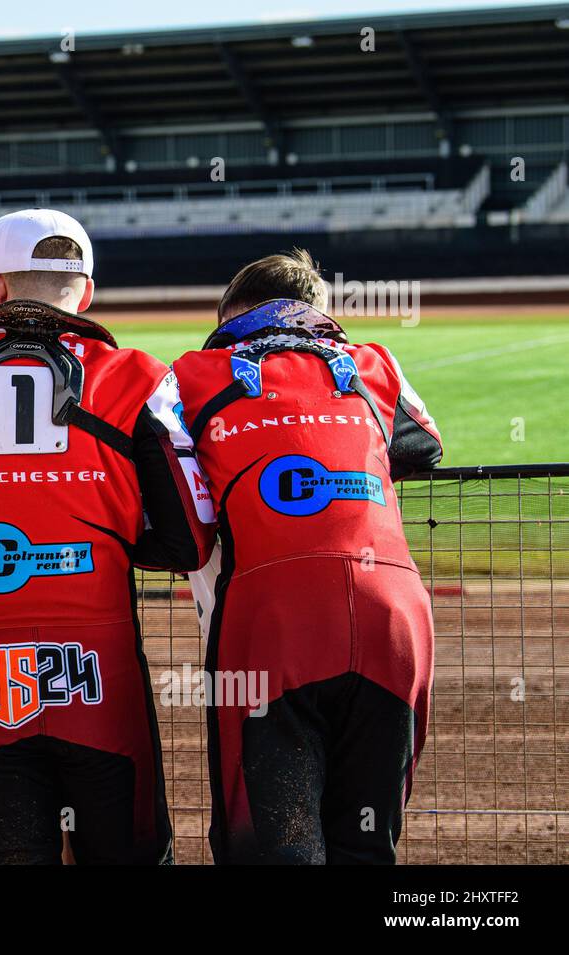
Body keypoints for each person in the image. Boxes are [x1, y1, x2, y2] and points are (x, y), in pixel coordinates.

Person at [0, 209, 216, 864]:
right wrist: (105, 535)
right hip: (103, 682)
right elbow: (188, 542)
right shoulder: (140, 377)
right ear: (84, 293)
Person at [174, 249, 442, 864]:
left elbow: (169, 484)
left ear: (230, 316)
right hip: (396, 618)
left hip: (272, 622)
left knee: (275, 847)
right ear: (318, 312)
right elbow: (425, 446)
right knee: (369, 840)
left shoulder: (194, 375)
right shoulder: (374, 363)